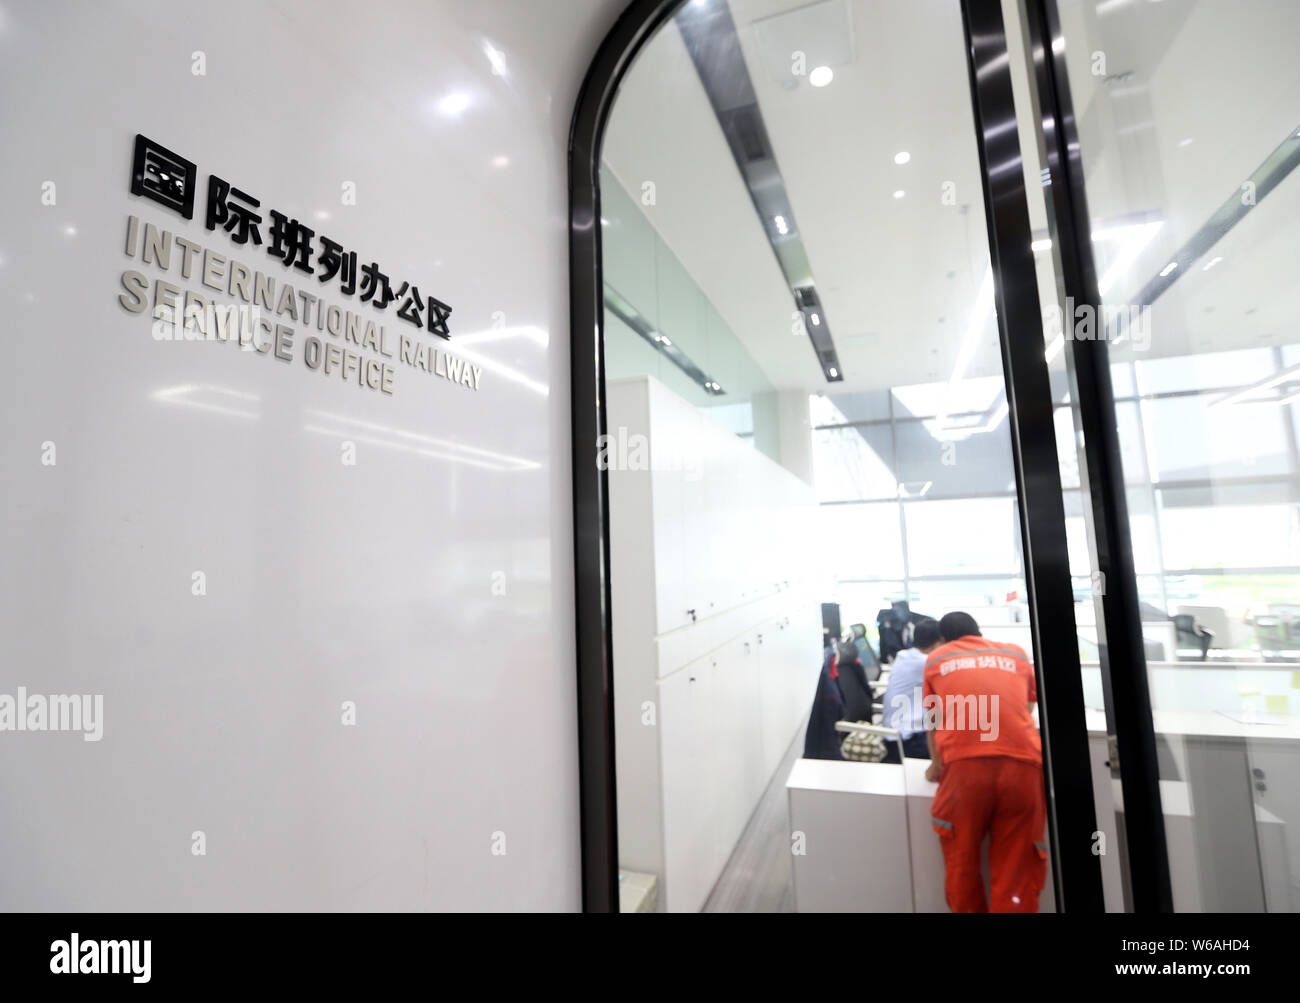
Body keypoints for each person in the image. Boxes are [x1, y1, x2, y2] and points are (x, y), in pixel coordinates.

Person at [923, 611, 1046, 913]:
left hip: (965, 771)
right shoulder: (1014, 653)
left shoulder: (937, 659)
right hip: (1022, 766)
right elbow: (1027, 707)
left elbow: (934, 720)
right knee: (1017, 865)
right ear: (979, 632)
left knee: (962, 861)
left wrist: (935, 765)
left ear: (944, 639)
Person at [880, 618, 941, 762]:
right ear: (938, 643)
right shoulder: (926, 662)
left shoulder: (904, 655)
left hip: (895, 734)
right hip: (907, 741)